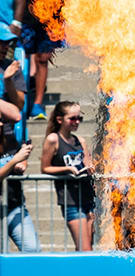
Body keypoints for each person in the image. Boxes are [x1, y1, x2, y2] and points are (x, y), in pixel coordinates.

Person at [39, 100, 94, 251]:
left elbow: (89, 166)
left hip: (87, 197)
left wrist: (92, 167)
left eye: (79, 118)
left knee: (87, 247)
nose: (77, 122)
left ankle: (80, 275)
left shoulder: (80, 140)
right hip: (71, 200)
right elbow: (45, 168)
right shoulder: (53, 139)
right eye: (73, 118)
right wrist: (67, 169)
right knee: (85, 250)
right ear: (60, 119)